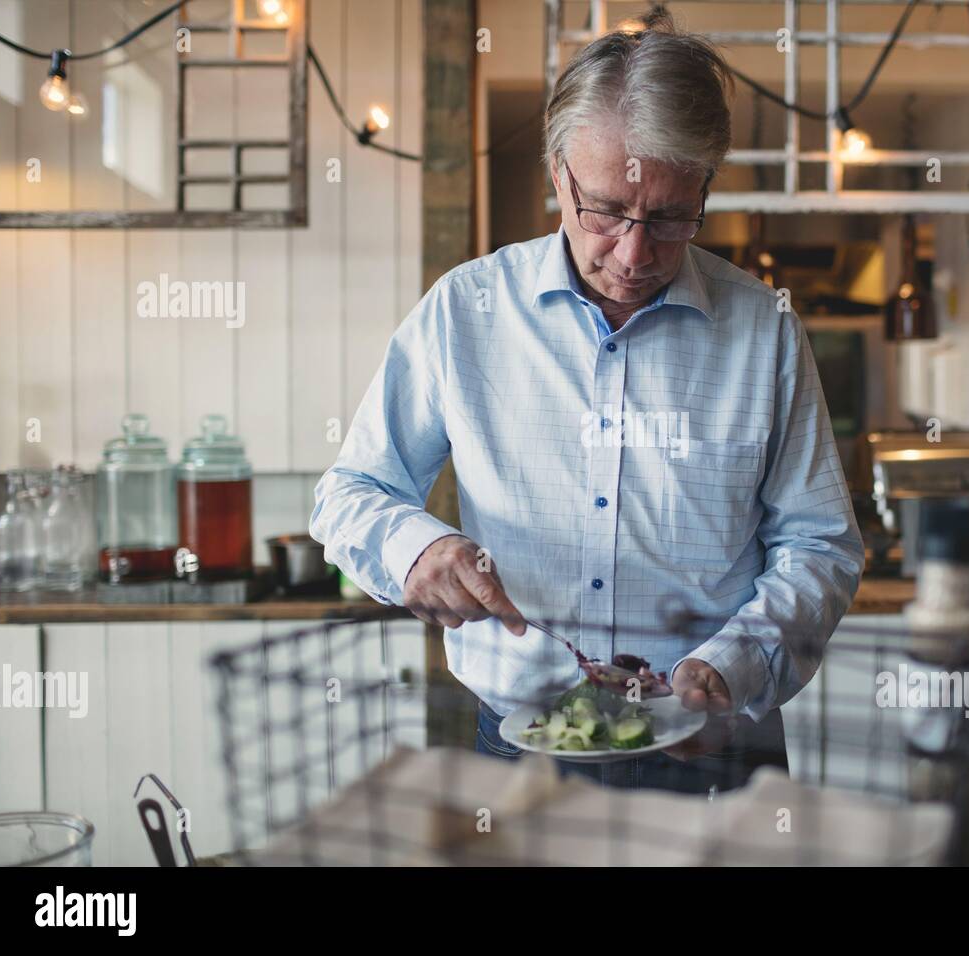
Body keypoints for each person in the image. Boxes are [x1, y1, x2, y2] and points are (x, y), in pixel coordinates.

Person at [310, 17, 862, 794]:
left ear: (707, 185)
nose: (633, 255)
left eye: (670, 217)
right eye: (604, 209)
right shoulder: (464, 311)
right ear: (556, 172)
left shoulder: (763, 331)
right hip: (523, 751)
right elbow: (349, 493)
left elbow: (819, 547)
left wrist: (731, 667)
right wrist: (414, 550)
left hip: (718, 752)